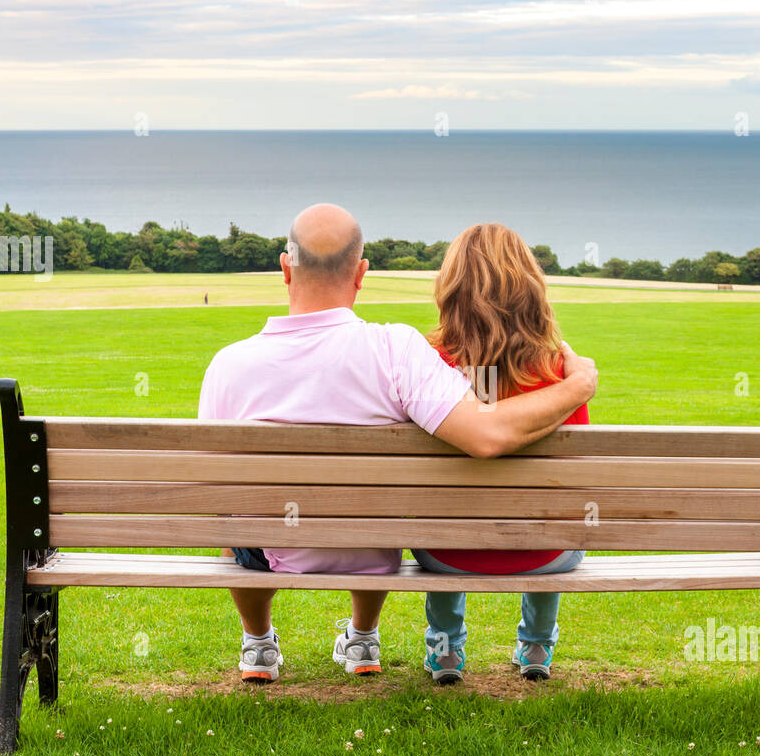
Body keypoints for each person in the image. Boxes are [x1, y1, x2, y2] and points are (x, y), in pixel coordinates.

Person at [198, 204, 597, 683]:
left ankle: (259, 642)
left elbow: (216, 497)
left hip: (272, 550)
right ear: (361, 273)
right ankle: (363, 636)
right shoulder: (395, 351)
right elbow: (487, 433)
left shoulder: (227, 364)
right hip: (370, 547)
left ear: (285, 269)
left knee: (236, 523)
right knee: (373, 518)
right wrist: (577, 385)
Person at [414, 223, 589, 684]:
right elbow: (572, 481)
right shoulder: (560, 374)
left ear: (450, 288)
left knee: (443, 518)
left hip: (446, 552)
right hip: (545, 554)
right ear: (531, 289)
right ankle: (536, 646)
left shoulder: (428, 365)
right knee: (552, 518)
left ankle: (446, 650)